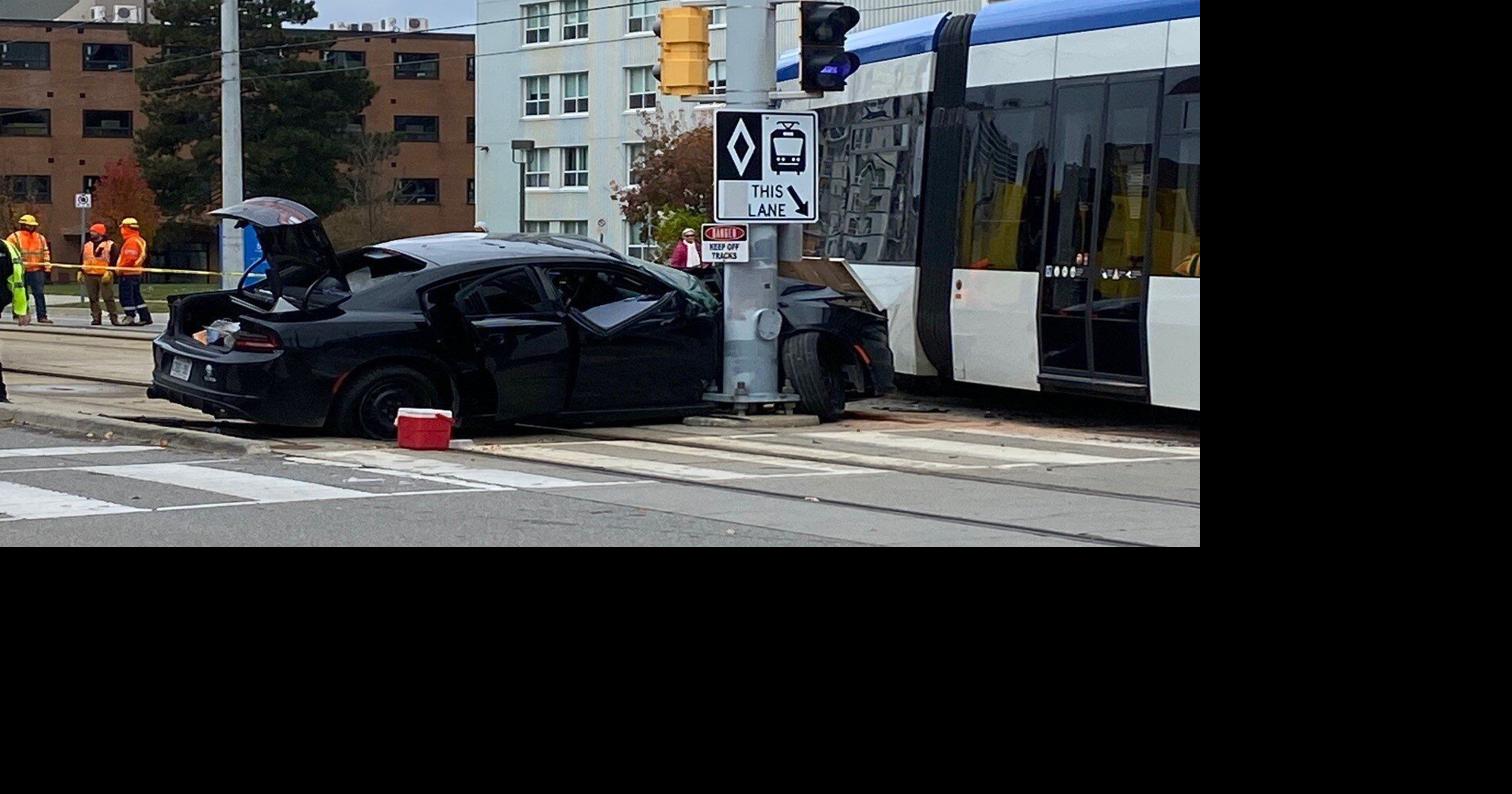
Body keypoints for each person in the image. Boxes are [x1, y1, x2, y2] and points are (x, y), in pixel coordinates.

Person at [0, 237, 34, 402]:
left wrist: (21, 309)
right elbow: (18, 281)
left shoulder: (7, 248)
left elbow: (17, 280)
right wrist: (21, 309)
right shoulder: (8, 247)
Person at [4, 214, 52, 324]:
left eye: (32, 225)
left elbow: (45, 252)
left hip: (37, 269)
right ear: (23, 225)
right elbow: (9, 253)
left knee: (39, 293)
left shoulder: (40, 237)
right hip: (20, 270)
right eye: (28, 225)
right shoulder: (14, 237)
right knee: (21, 294)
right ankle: (21, 315)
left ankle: (42, 316)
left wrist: (47, 267)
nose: (31, 227)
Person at [81, 223, 123, 326]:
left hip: (104, 275)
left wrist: (110, 272)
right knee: (92, 297)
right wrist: (80, 271)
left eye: (94, 231)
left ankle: (114, 318)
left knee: (108, 297)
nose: (91, 233)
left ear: (100, 232)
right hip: (89, 274)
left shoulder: (110, 245)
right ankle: (96, 318)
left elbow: (115, 259)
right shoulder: (87, 245)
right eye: (91, 231)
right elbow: (82, 258)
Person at [115, 217, 153, 326]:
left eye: (122, 228)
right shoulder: (140, 240)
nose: (121, 230)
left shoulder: (131, 241)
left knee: (126, 296)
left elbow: (129, 258)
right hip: (135, 273)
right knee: (136, 296)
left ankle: (130, 316)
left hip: (127, 273)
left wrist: (120, 269)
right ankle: (145, 316)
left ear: (126, 228)